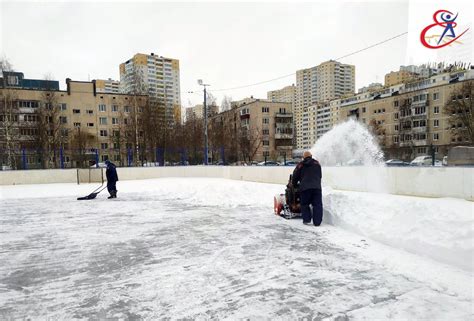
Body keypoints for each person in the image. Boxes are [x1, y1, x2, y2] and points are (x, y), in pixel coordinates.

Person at [292, 150, 323, 226]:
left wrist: (294, 185)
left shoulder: (301, 165)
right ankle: (317, 222)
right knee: (317, 205)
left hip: (305, 189)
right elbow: (320, 175)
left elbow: (295, 176)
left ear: (303, 157)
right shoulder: (317, 163)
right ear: (311, 156)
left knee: (305, 204)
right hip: (317, 188)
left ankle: (307, 219)